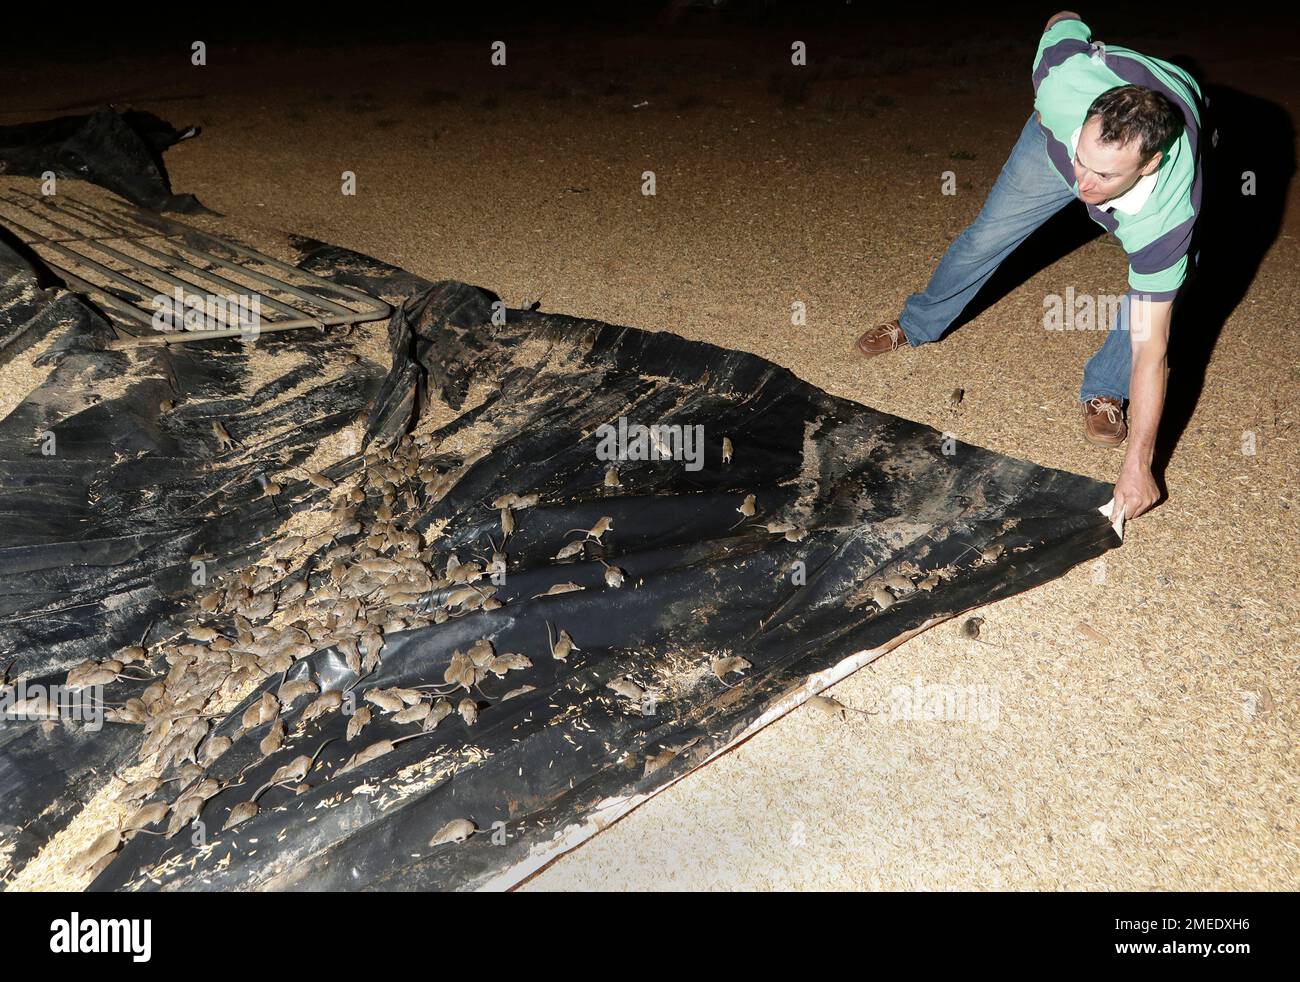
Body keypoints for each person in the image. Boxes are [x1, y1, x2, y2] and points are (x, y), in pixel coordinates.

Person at [855, 10, 1202, 520]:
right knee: (988, 235)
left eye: (1103, 175)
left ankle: (1106, 389)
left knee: (1146, 303)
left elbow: (1155, 350)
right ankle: (915, 322)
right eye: (1083, 161)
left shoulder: (1167, 214)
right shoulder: (1062, 83)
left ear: (1148, 165)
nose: (1082, 187)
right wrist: (1071, 145)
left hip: (1169, 120)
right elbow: (1064, 18)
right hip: (1053, 135)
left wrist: (1140, 463)